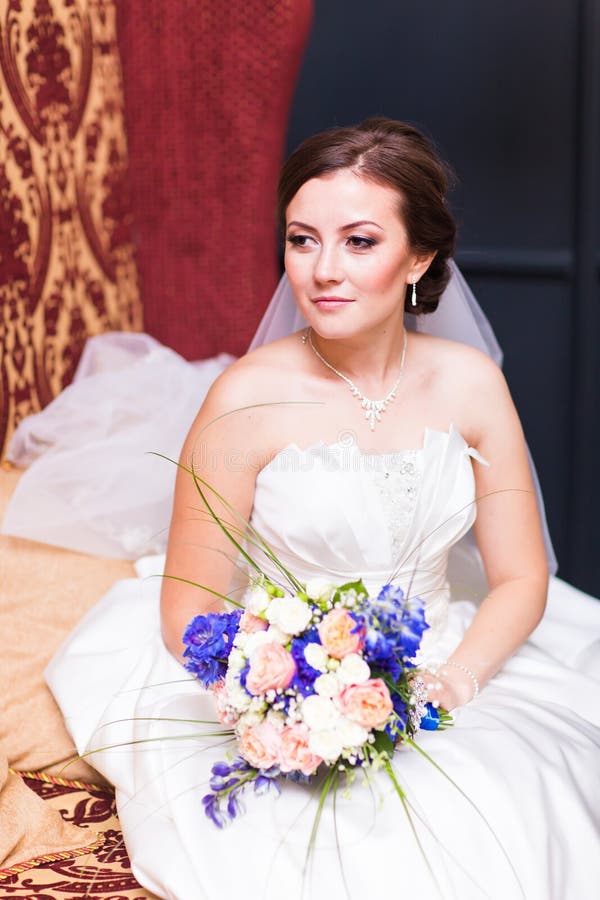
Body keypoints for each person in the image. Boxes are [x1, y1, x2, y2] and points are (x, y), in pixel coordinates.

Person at [43, 118, 600, 900]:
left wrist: (451, 685)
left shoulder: (471, 385)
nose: (323, 270)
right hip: (282, 665)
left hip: (444, 659)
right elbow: (191, 602)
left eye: (359, 242)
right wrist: (284, 694)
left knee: (514, 809)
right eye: (302, 240)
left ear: (420, 257)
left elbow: (520, 577)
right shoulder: (246, 398)